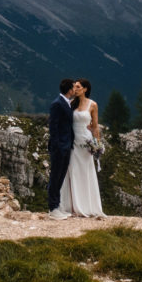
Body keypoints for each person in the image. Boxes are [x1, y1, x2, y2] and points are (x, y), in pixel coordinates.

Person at [56, 77, 106, 219]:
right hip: (73, 142)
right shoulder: (71, 104)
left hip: (86, 143)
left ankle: (88, 206)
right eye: (75, 87)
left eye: (78, 87)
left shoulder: (93, 105)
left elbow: (95, 127)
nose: (75, 89)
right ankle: (72, 206)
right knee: (73, 172)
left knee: (86, 172)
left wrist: (97, 144)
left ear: (85, 89)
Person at [46, 78, 76, 216]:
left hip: (66, 145)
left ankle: (57, 205)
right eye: (74, 87)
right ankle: (53, 208)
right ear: (69, 90)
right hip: (59, 147)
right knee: (55, 176)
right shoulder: (57, 104)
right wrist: (58, 146)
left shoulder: (67, 103)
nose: (75, 90)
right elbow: (53, 127)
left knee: (61, 176)